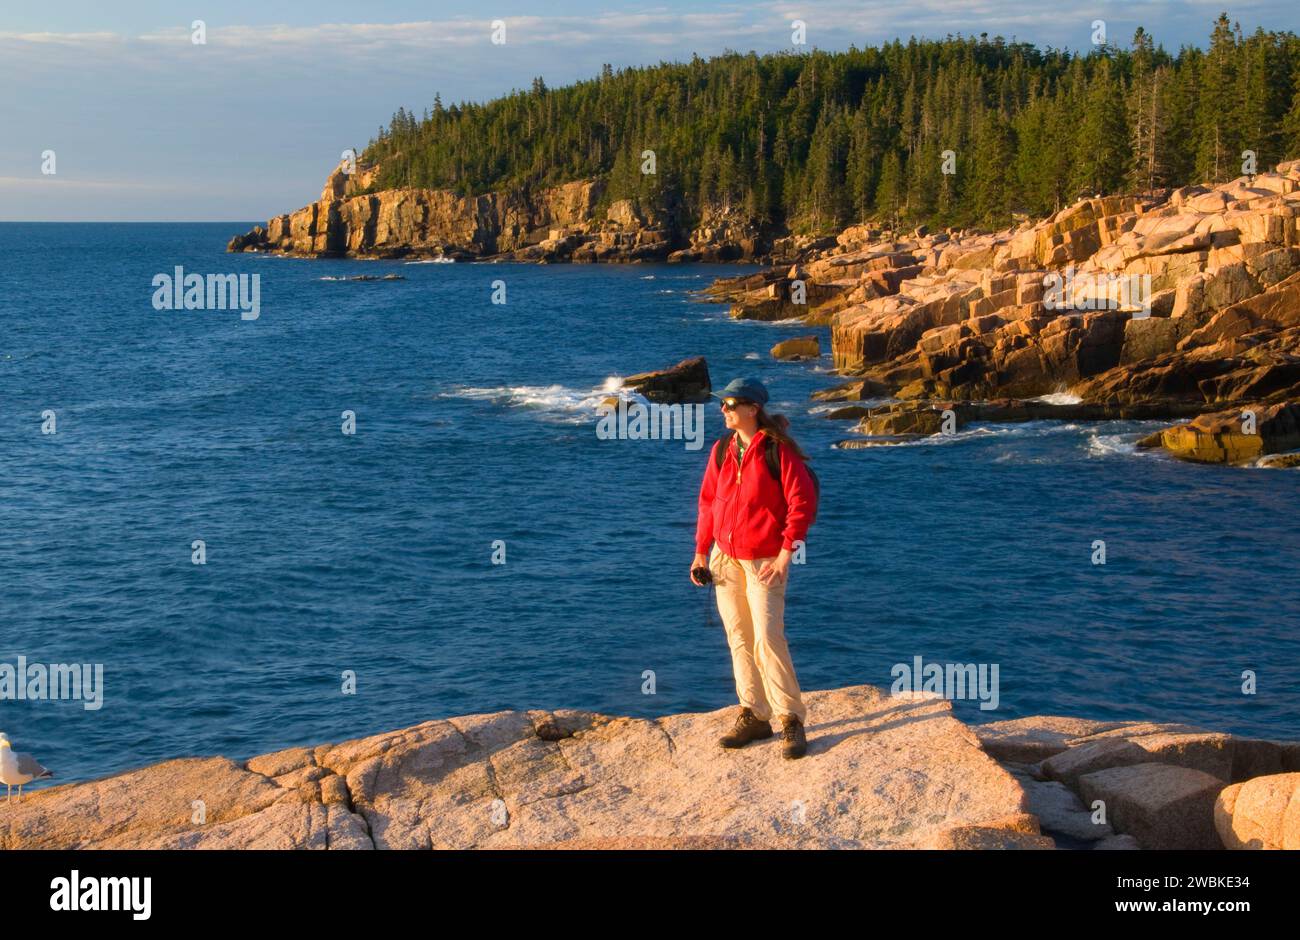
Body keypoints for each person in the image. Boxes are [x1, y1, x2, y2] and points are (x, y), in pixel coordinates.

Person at [691, 377, 816, 759]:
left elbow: (802, 505)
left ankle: (790, 718)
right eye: (723, 404)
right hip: (725, 557)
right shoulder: (722, 449)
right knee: (739, 637)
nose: (724, 410)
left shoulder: (778, 451)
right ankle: (754, 714)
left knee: (767, 637)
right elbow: (709, 502)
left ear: (752, 409)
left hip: (765, 560)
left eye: (730, 404)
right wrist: (700, 553)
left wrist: (784, 556)